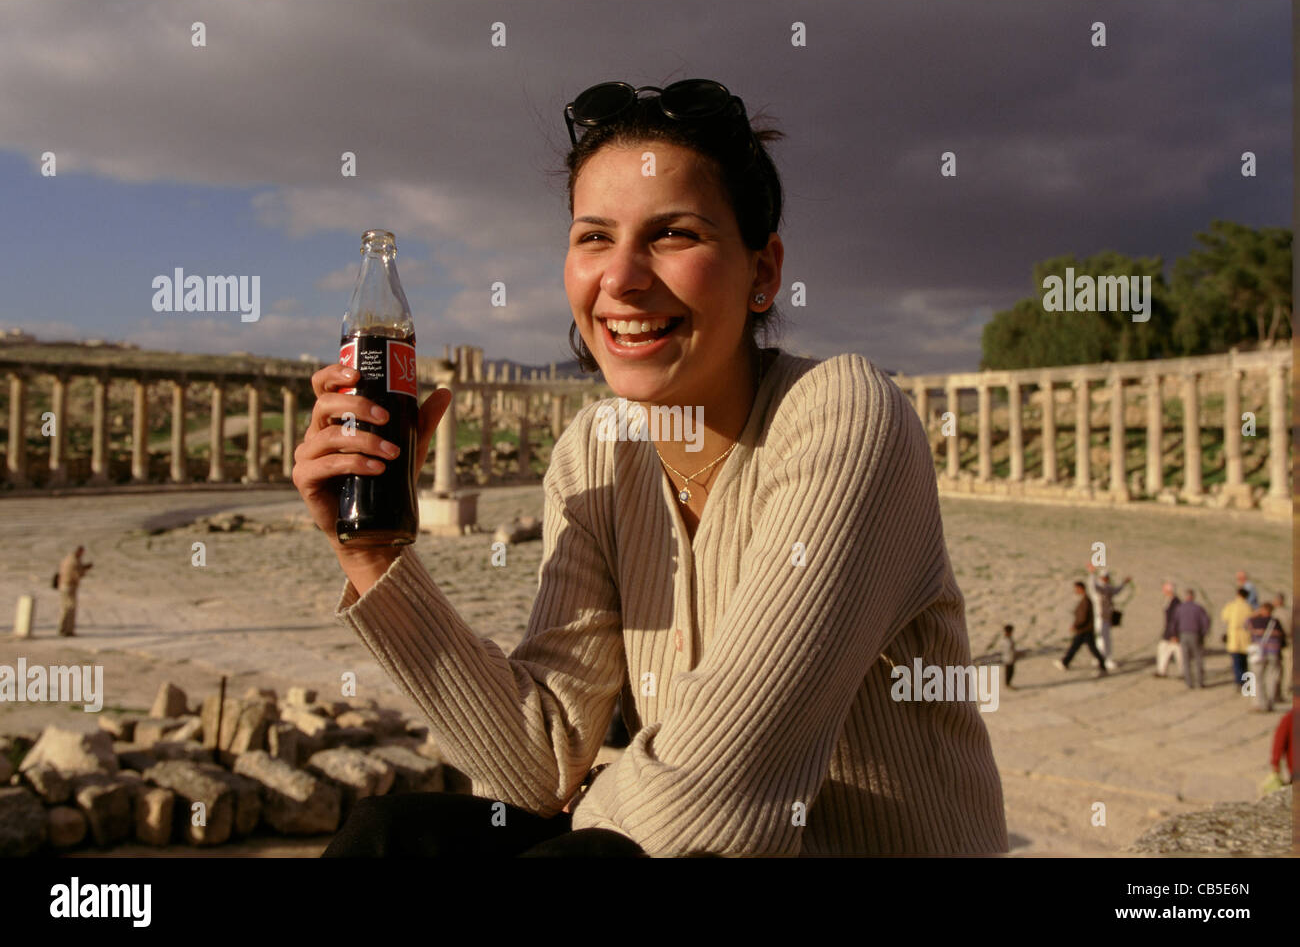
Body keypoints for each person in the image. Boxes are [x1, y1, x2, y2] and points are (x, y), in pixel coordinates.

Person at [294, 79, 1007, 857]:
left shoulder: (844, 413)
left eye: (673, 234)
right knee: (390, 838)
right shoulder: (596, 453)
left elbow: (719, 777)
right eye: (594, 237)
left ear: (763, 270)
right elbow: (535, 761)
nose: (623, 278)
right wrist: (371, 554)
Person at [1086, 563, 1130, 670]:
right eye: (1105, 577)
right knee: (1101, 639)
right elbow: (1091, 586)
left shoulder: (1108, 588)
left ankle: (1103, 658)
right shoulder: (1098, 589)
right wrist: (1091, 574)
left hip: (1107, 617)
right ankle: (1104, 659)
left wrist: (1124, 583)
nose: (1106, 579)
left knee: (1106, 639)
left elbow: (1116, 591)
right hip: (1099, 618)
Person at [1056, 581, 1106, 675]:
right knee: (1086, 647)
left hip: (1084, 629)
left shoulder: (1086, 601)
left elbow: (1083, 617)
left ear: (1081, 588)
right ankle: (1065, 662)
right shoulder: (1085, 600)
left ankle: (1065, 662)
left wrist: (1076, 626)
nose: (1075, 591)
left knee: (1079, 647)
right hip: (1085, 629)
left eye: (1077, 588)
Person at [1245, 603, 1286, 712]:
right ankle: (1269, 703)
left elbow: (1245, 623)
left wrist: (1255, 614)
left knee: (1256, 678)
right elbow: (1282, 635)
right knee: (1271, 677)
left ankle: (1258, 704)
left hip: (1258, 652)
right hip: (1273, 651)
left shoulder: (1255, 621)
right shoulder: (1275, 622)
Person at [55, 545, 93, 638]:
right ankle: (67, 630)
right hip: (69, 586)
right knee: (70, 608)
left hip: (63, 585)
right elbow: (77, 574)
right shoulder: (74, 561)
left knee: (65, 607)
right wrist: (85, 568)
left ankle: (63, 629)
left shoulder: (68, 558)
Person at [1174, 589, 1209, 689]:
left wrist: (1175, 635)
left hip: (1183, 635)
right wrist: (1203, 634)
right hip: (1195, 634)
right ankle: (1200, 682)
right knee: (1198, 659)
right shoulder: (1198, 608)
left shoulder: (1180, 608)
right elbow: (1205, 622)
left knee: (1186, 659)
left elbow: (1175, 622)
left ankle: (1189, 682)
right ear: (1193, 597)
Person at [1220, 587, 1254, 686]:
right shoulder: (1249, 607)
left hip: (1234, 638)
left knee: (1236, 662)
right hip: (1245, 638)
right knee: (1244, 662)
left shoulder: (1231, 606)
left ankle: (1239, 681)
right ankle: (1245, 680)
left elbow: (1224, 618)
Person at [1153, 581, 1182, 678]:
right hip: (1168, 632)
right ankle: (1161, 671)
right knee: (1163, 649)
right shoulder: (1169, 600)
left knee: (1178, 652)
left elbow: (1176, 620)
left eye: (1165, 589)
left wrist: (1175, 634)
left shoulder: (1176, 603)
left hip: (1173, 633)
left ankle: (1182, 672)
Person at [999, 623, 1017, 688]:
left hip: (1010, 657)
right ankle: (1007, 684)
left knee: (1011, 671)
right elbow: (1007, 649)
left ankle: (1008, 683)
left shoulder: (1008, 639)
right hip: (1008, 657)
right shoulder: (1005, 640)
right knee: (1009, 671)